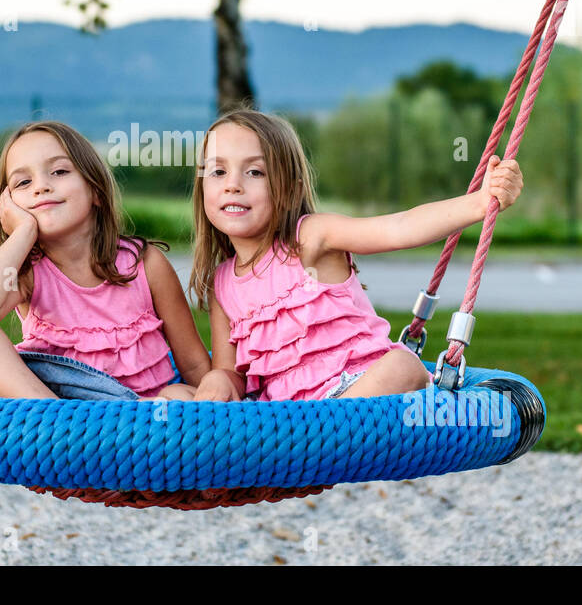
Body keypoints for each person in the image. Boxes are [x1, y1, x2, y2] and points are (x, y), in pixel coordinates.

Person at [189, 109, 523, 403]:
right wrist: (220, 378)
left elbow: (398, 228)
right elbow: (229, 370)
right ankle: (304, 456)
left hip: (358, 389)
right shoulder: (223, 285)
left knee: (403, 365)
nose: (233, 185)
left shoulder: (309, 238)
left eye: (255, 172)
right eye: (218, 172)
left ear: (289, 188)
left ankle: (316, 448)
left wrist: (478, 204)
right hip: (288, 416)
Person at [0, 121, 210, 399]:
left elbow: (193, 361)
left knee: (180, 395)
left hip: (139, 413)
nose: (41, 187)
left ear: (96, 192)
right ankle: (60, 429)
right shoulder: (28, 273)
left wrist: (223, 411)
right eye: (24, 182)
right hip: (59, 410)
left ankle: (87, 432)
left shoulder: (145, 265)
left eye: (59, 171)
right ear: (9, 205)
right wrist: (23, 232)